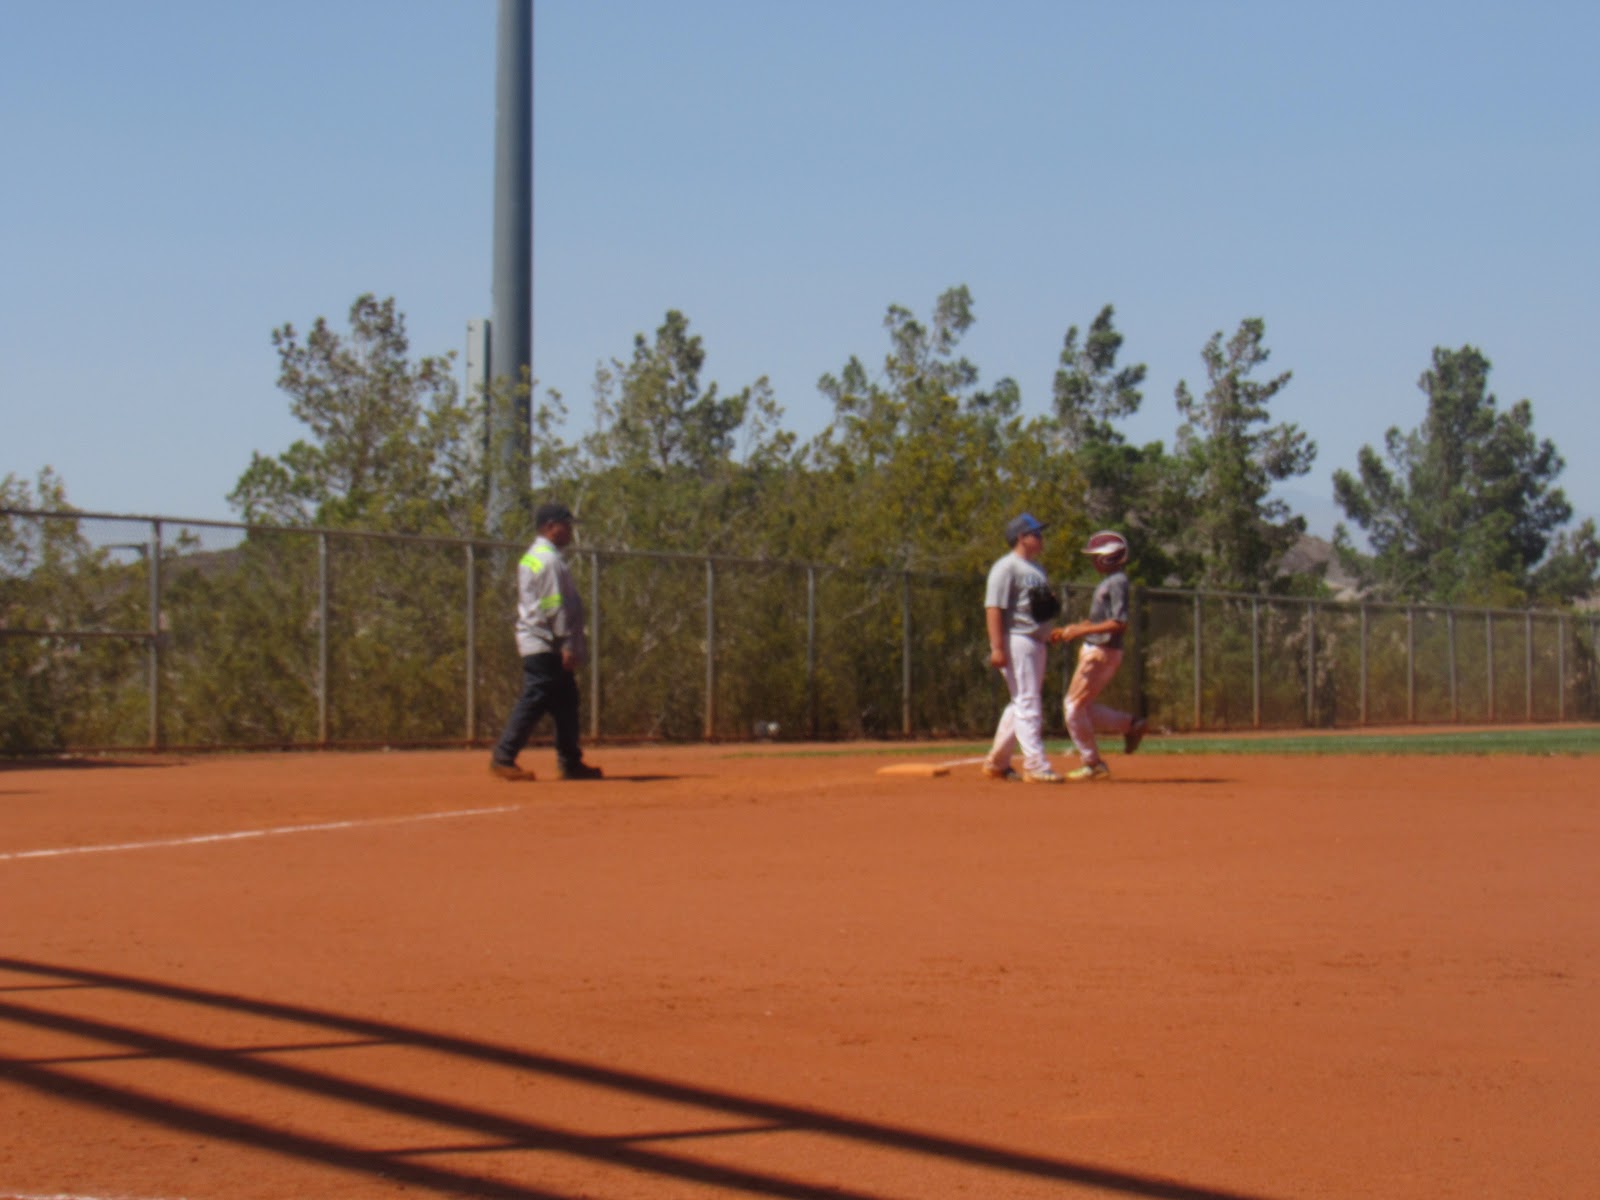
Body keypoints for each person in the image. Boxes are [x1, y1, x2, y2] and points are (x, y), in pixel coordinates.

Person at [489, 502, 603, 782]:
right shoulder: (549, 560)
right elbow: (555, 605)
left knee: (566, 701)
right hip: (545, 642)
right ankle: (503, 757)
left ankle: (570, 762)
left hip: (542, 640)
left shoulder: (537, 556)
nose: (570, 533)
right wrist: (566, 643)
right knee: (535, 698)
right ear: (551, 527)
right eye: (567, 526)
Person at [1048, 530, 1148, 781]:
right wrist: (1074, 629)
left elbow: (1118, 622)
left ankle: (1092, 763)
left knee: (1072, 708)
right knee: (1083, 708)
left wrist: (1083, 630)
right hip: (1100, 649)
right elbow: (1098, 621)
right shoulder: (1111, 581)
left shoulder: (1116, 582)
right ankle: (1131, 724)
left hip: (1101, 652)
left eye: (1097, 556)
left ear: (1109, 557)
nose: (1093, 561)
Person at [982, 513, 1065, 784]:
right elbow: (994, 607)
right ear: (1021, 537)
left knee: (1020, 702)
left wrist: (1047, 626)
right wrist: (997, 648)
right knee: (1028, 701)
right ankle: (1035, 764)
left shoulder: (1038, 570)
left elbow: (1036, 609)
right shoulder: (1005, 567)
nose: (1041, 538)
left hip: (1036, 640)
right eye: (1036, 533)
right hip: (1016, 639)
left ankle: (997, 763)